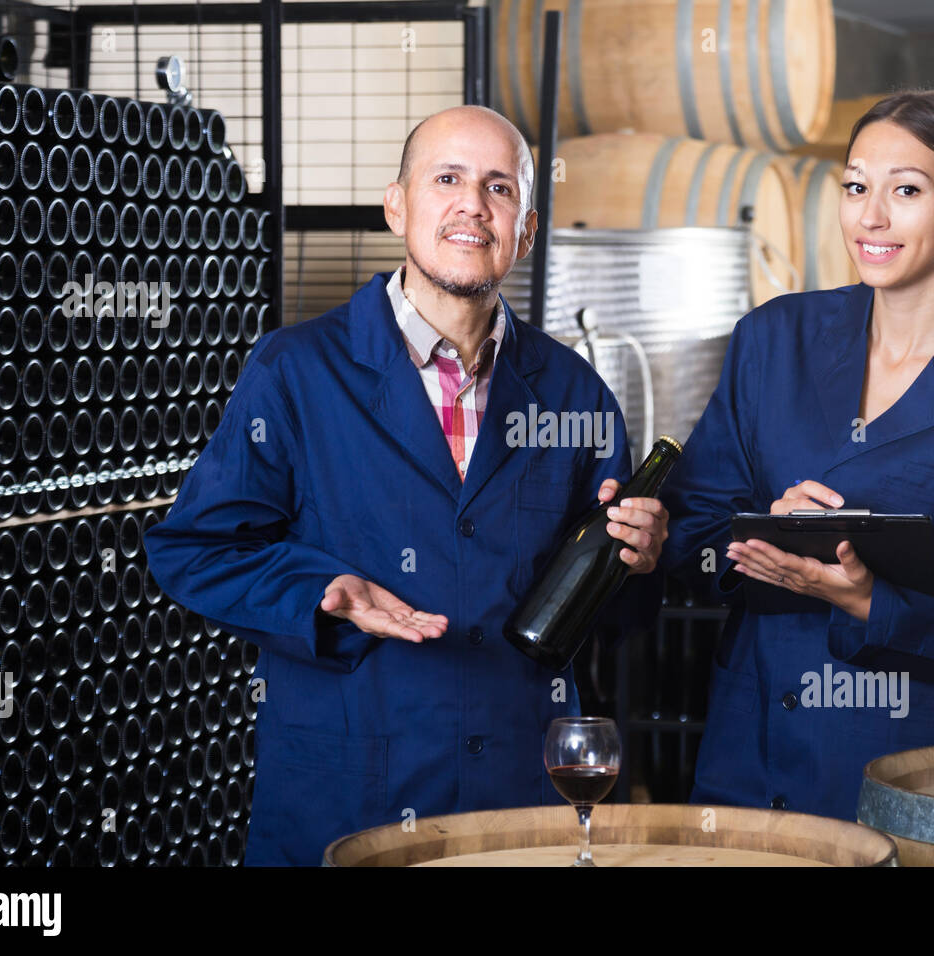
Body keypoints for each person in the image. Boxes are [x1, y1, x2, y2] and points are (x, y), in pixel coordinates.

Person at [143, 105, 669, 865]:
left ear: (523, 228)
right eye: (447, 178)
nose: (472, 205)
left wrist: (642, 560)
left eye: (499, 187)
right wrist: (320, 592)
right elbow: (194, 550)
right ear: (397, 206)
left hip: (517, 799)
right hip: (349, 789)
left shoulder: (576, 395)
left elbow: (616, 616)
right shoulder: (296, 372)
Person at [660, 90, 934, 821]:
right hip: (745, 763)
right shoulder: (773, 341)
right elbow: (691, 530)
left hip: (896, 777)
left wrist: (867, 601)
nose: (871, 217)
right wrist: (762, 528)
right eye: (856, 186)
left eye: (907, 191)